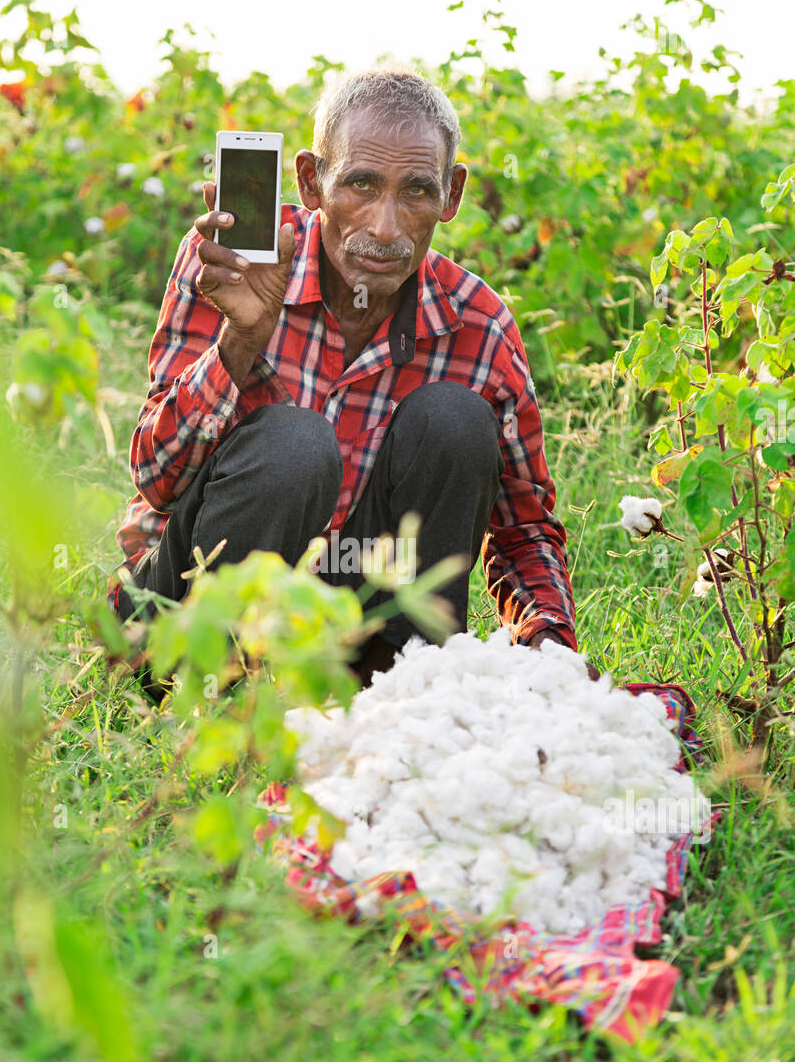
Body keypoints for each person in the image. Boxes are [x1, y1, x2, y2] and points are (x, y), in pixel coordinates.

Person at [109, 69, 582, 687]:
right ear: (312, 181)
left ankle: (408, 692)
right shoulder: (233, 265)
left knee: (455, 421)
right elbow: (157, 481)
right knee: (294, 445)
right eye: (360, 183)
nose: (386, 228)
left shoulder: (478, 324)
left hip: (346, 633)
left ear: (452, 194)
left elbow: (522, 530)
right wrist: (240, 340)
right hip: (184, 612)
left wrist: (552, 652)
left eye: (416, 191)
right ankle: (217, 694)